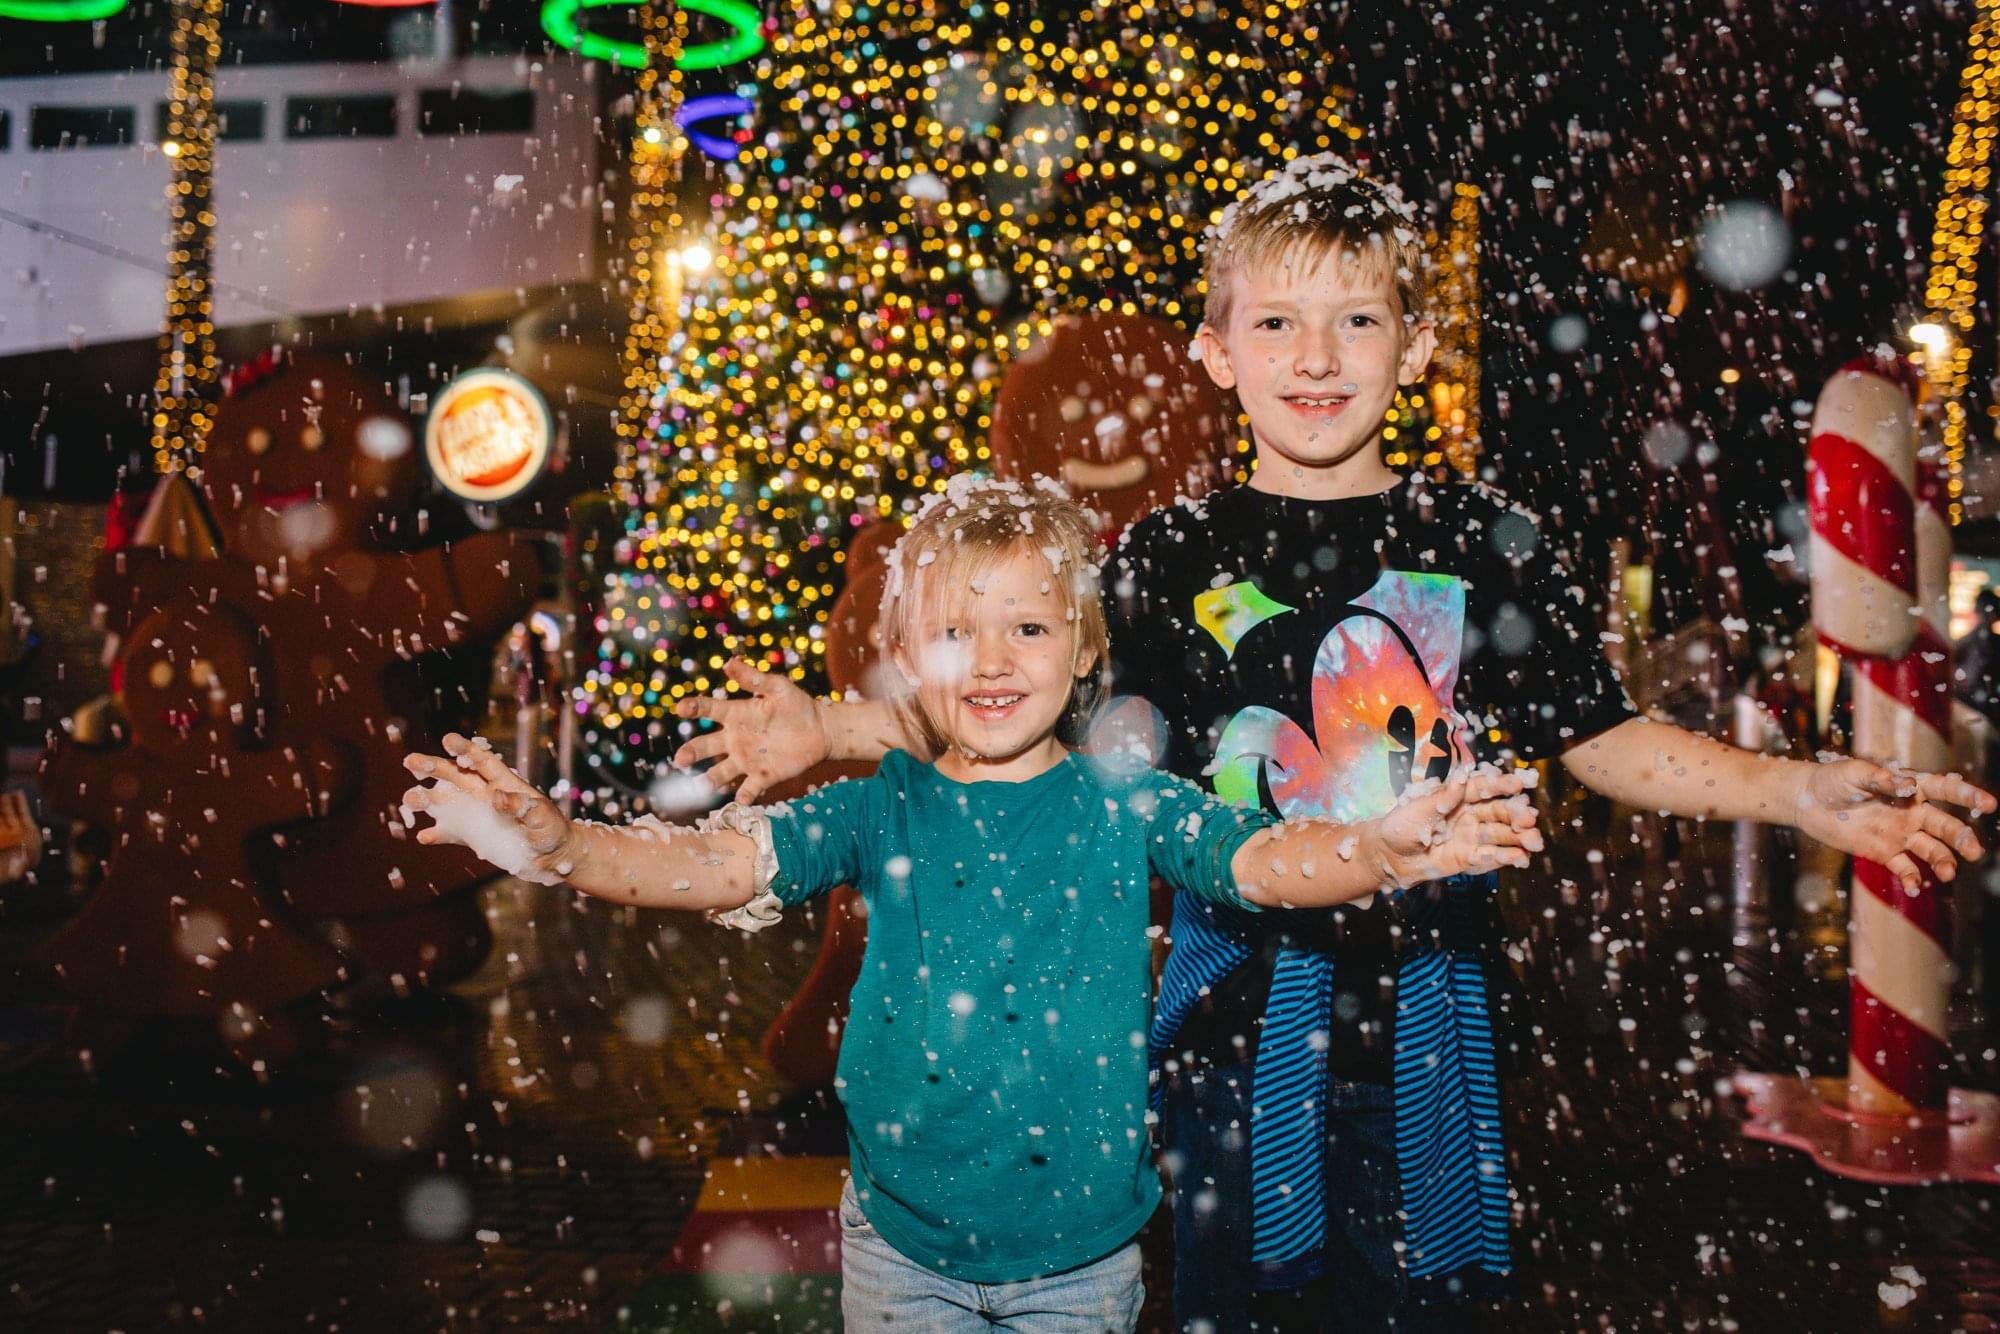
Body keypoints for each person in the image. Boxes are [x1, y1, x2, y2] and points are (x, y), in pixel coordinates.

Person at [666, 152, 1997, 1332]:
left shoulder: (1481, 538)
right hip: (1228, 1037)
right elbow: (1005, 702)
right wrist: (830, 722)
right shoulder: (1165, 560)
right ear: (1216, 349)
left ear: (1415, 344)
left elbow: (1605, 736)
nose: (1317, 356)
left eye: (1357, 319)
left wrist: (1805, 791)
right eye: (1280, 320)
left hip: (1430, 1027)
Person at [402, 477, 1544, 1333]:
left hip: (1081, 1265)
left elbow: (1259, 863)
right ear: (901, 654)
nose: (991, 661)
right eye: (954, 631)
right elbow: (711, 865)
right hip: (899, 1253)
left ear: (1083, 645)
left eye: (1028, 628)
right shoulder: (875, 807)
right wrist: (554, 844)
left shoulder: (1126, 800)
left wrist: (1380, 845)